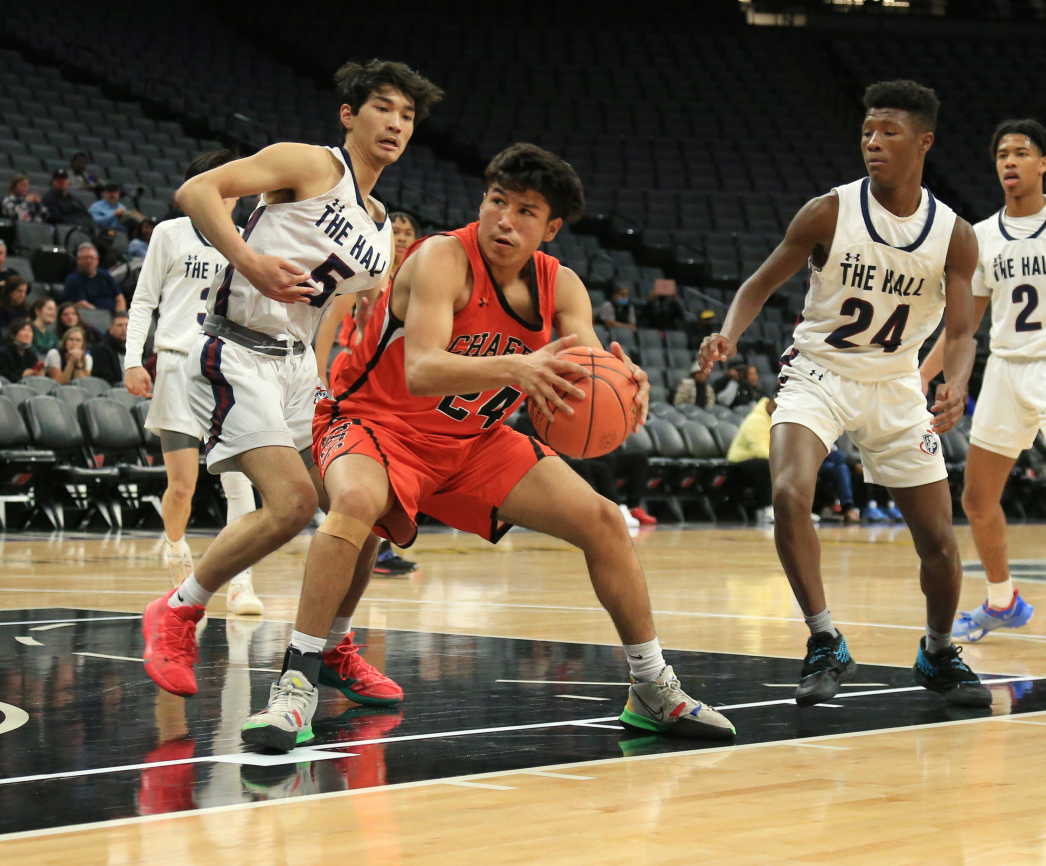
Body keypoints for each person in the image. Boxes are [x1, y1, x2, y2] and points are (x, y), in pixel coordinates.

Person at [239, 141, 735, 751]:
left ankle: (652, 687)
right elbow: (421, 368)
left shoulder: (564, 286)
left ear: (551, 228)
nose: (505, 219)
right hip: (377, 423)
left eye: (526, 211)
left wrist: (624, 384)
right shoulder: (443, 258)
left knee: (605, 521)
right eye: (497, 201)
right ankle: (296, 686)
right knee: (357, 503)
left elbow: (584, 370)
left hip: (473, 442)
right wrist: (517, 368)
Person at [141, 60, 446, 714]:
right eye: (382, 108)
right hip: (233, 347)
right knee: (288, 503)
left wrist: (335, 377)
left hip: (297, 368)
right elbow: (197, 191)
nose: (395, 123)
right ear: (349, 114)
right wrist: (249, 260)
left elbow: (337, 309)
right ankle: (178, 609)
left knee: (367, 501)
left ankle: (334, 645)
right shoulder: (308, 164)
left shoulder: (376, 229)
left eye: (408, 115)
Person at [698, 79, 989, 708]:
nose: (873, 143)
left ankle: (939, 651)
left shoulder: (955, 235)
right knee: (787, 492)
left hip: (895, 387)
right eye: (866, 132)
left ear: (924, 142)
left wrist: (956, 381)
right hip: (819, 372)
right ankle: (824, 638)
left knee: (939, 544)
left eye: (889, 132)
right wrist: (726, 333)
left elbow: (964, 331)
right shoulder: (828, 211)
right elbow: (759, 283)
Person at [920, 118, 1046, 642]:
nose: (1010, 161)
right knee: (976, 497)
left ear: (1043, 164)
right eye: (1002, 155)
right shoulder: (984, 236)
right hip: (1006, 371)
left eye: (1021, 152)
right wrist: (916, 377)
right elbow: (963, 326)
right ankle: (1001, 601)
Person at [124, 149, 262, 615]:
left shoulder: (248, 239)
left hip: (228, 364)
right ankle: (176, 547)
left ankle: (241, 582)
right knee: (182, 487)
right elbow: (143, 301)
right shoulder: (169, 233)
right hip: (178, 362)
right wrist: (132, 360)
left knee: (239, 482)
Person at [315, 209, 422, 576]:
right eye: (399, 231)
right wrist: (318, 377)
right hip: (356, 369)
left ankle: (378, 544)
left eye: (410, 232)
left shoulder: (422, 280)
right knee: (369, 459)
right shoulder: (368, 270)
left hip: (399, 378)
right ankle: (351, 533)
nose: (404, 237)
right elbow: (331, 321)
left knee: (394, 464)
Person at [727, 396, 777, 521]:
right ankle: (766, 508)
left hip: (762, 459)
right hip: (740, 462)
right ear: (768, 405)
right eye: (774, 407)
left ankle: (796, 510)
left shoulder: (778, 422)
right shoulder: (756, 420)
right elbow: (760, 451)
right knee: (766, 466)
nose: (776, 410)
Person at [63, 243, 126, 312]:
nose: (88, 261)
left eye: (91, 258)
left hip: (114, 316)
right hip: (92, 317)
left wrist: (119, 315)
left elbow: (119, 298)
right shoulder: (73, 280)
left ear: (97, 260)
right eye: (85, 258)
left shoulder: (105, 275)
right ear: (78, 260)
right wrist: (103, 316)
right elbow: (82, 304)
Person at [0, 319, 44, 383]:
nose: (27, 334)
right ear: (13, 335)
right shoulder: (2, 354)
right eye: (23, 330)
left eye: (29, 331)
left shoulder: (31, 355)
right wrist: (22, 375)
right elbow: (2, 376)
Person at [90, 311, 128, 384]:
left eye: (127, 325)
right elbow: (106, 380)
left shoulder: (134, 349)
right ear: (110, 328)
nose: (124, 329)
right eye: (119, 325)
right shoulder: (101, 350)